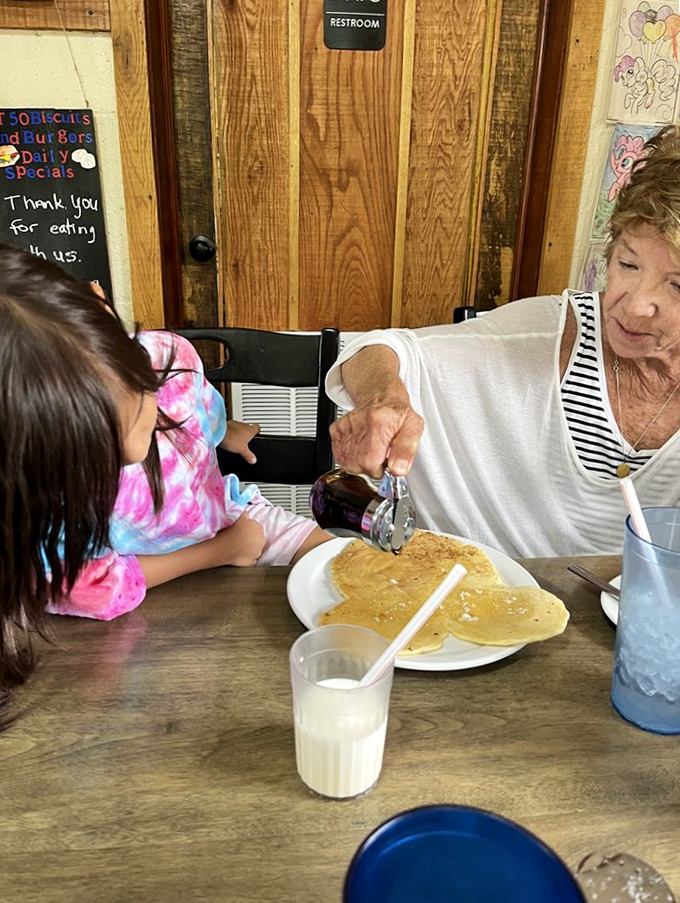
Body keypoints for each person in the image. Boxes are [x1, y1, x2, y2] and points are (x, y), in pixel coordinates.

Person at [0, 243, 331, 722]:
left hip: (234, 512)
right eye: (98, 450)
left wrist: (227, 432)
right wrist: (219, 552)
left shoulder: (168, 357)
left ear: (102, 307)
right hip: (166, 574)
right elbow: (98, 588)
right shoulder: (41, 512)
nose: (135, 452)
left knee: (337, 559)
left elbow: (199, 407)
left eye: (139, 400)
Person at [327, 125, 680, 559]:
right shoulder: (550, 335)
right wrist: (384, 397)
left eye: (677, 286)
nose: (636, 303)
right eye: (628, 263)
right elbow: (381, 350)